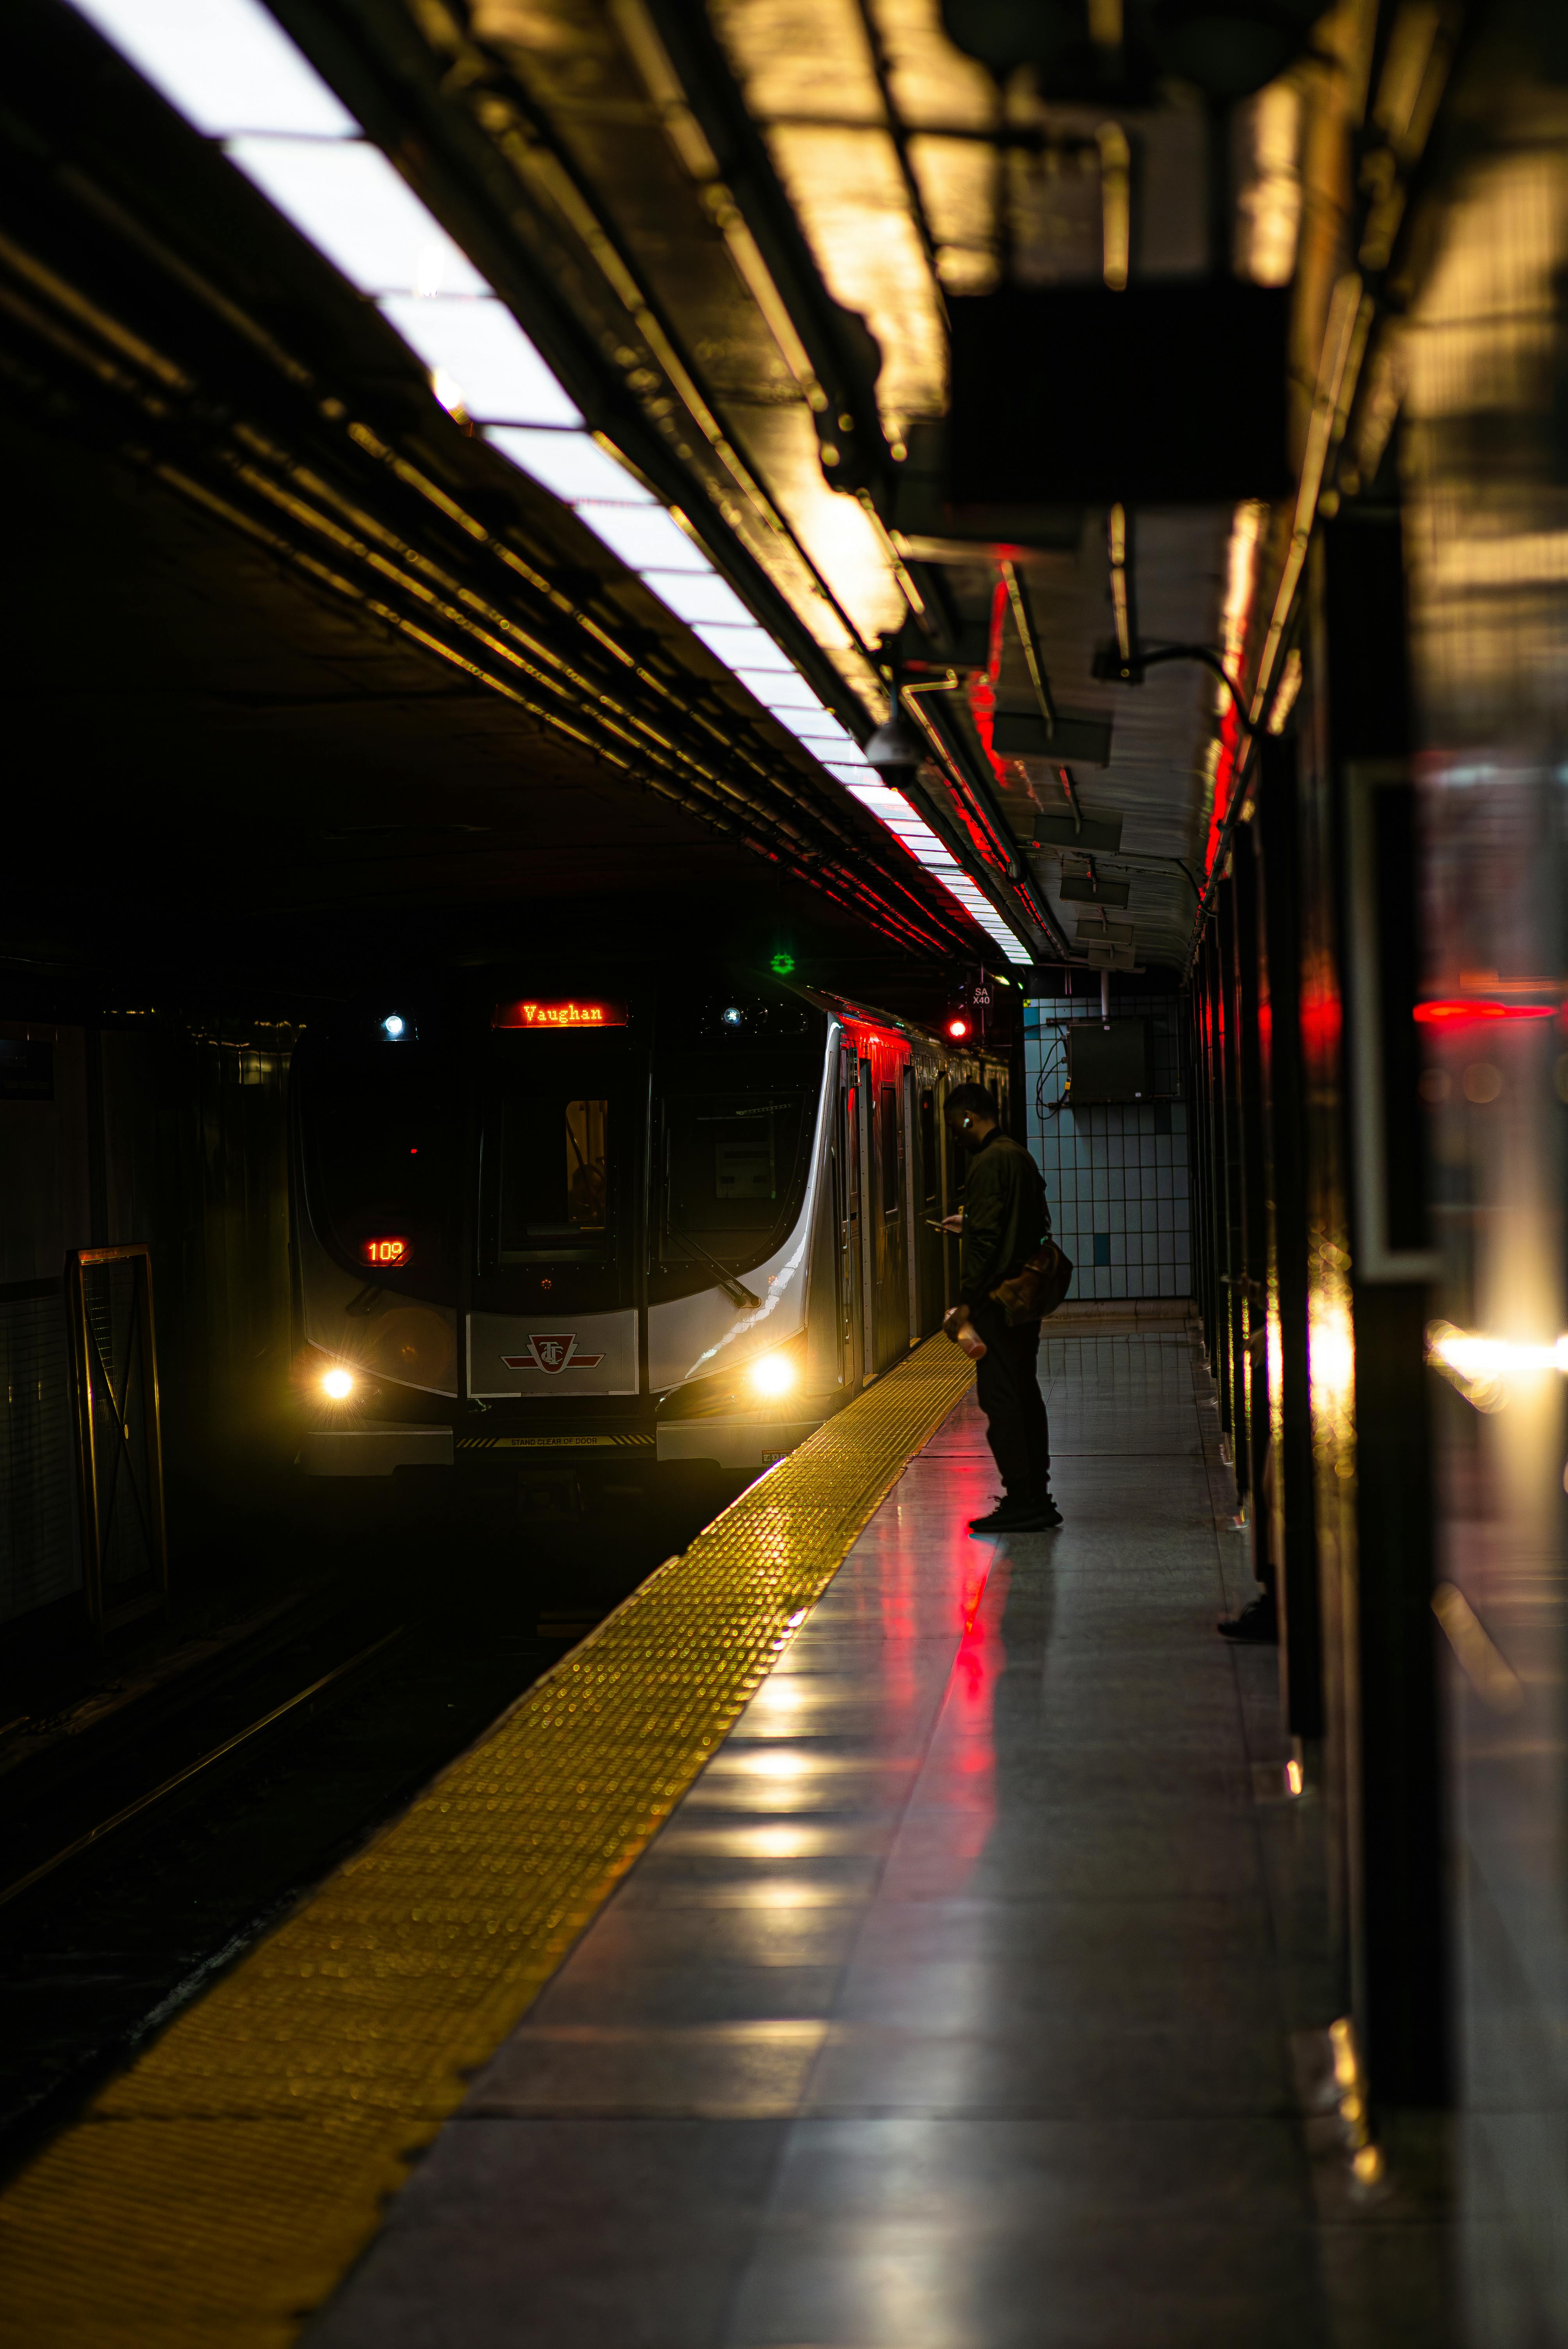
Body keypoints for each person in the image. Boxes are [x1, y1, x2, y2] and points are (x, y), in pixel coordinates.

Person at [940, 1082, 1060, 1533]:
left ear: (968, 1118)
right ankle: (1037, 1493)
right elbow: (1028, 1220)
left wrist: (967, 1303)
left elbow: (988, 1244)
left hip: (997, 1301)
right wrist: (971, 1223)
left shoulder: (988, 1161)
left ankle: (1021, 1497)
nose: (955, 1137)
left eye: (954, 1127)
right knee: (1023, 1391)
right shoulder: (1018, 1155)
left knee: (1001, 1398)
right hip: (1022, 1298)